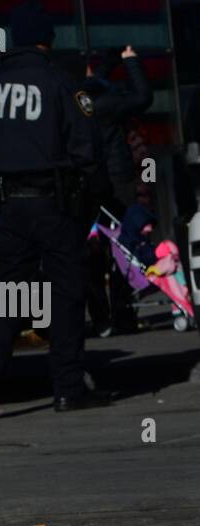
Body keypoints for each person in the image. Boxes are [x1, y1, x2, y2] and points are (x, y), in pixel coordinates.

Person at [0, 5, 110, 415]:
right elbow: (88, 151)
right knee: (64, 295)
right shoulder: (61, 83)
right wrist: (87, 207)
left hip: (6, 207)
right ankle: (67, 390)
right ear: (49, 39)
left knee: (8, 294)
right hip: (54, 204)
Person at [83, 47, 152, 336]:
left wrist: (106, 65)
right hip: (118, 181)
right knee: (123, 247)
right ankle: (124, 312)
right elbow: (143, 98)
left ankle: (101, 318)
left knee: (92, 253)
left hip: (87, 183)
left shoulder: (79, 102)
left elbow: (93, 81)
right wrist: (131, 61)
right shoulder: (111, 104)